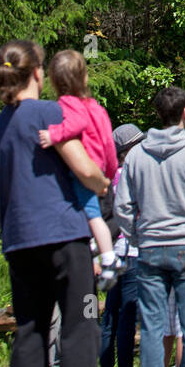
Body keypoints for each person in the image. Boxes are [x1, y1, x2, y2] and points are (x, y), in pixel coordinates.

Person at [0, 39, 109, 367]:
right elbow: (85, 169)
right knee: (83, 325)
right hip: (66, 239)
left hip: (20, 242)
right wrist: (103, 181)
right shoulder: (50, 112)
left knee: (30, 331)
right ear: (38, 72)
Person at [114, 86, 185, 367]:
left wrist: (137, 235)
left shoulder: (137, 157)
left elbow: (123, 206)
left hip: (151, 248)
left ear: (158, 115)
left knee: (153, 327)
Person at [37, 49, 119, 288]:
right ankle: (100, 252)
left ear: (52, 80)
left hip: (84, 170)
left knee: (91, 216)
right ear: (84, 78)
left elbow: (77, 124)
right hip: (100, 171)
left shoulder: (66, 104)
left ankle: (106, 258)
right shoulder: (95, 107)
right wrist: (109, 177)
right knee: (96, 215)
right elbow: (108, 144)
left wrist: (54, 134)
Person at [100, 123, 145, 367]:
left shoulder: (107, 178)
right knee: (128, 317)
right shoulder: (137, 175)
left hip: (108, 254)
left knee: (108, 318)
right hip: (131, 253)